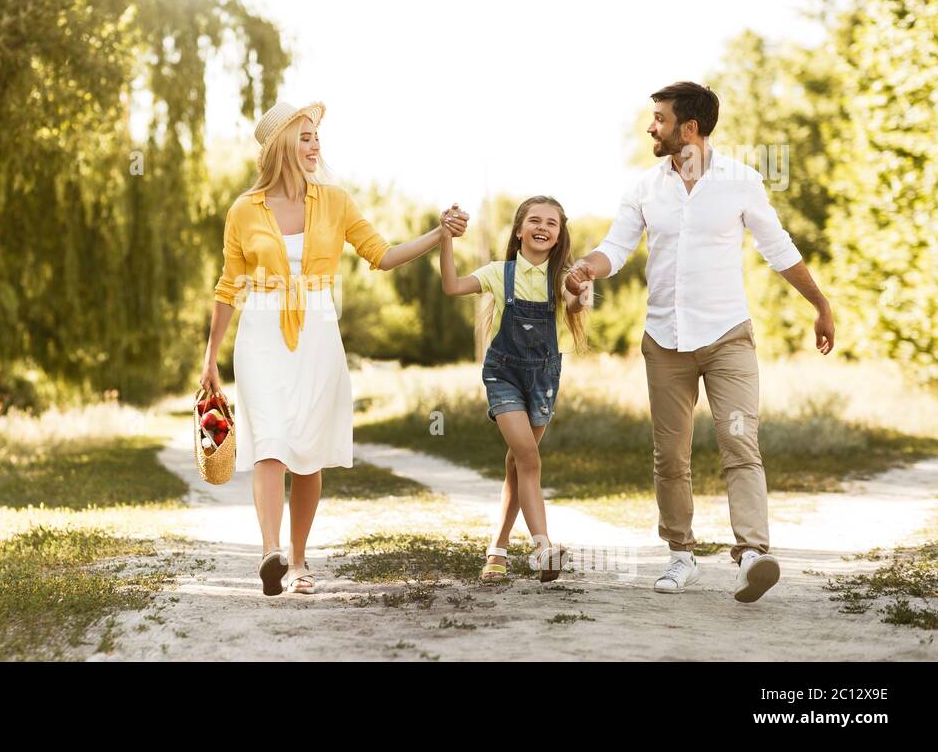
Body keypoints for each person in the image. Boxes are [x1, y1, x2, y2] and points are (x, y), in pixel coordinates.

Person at [565, 81, 835, 603]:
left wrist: (820, 304)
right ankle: (680, 554)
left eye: (660, 119)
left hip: (727, 336)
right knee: (671, 455)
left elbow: (777, 247)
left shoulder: (741, 181)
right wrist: (585, 269)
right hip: (665, 341)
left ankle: (753, 554)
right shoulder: (644, 188)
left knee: (740, 442)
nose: (651, 128)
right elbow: (615, 248)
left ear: (689, 128)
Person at [199, 100, 469, 596]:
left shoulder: (335, 201)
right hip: (261, 332)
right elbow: (228, 286)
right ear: (281, 145)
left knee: (309, 452)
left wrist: (438, 234)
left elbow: (382, 255)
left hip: (318, 332)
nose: (315, 145)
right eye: (304, 137)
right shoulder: (244, 210)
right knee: (270, 443)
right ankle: (271, 553)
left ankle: (299, 561)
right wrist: (210, 356)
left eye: (317, 137)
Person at [439, 196, 589, 583]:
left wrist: (580, 293)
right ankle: (543, 548)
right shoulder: (498, 272)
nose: (542, 227)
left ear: (559, 235)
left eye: (551, 223)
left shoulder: (561, 277)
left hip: (543, 380)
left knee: (516, 464)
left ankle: (498, 549)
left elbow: (574, 305)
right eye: (534, 220)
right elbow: (452, 286)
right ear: (520, 230)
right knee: (529, 458)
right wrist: (445, 239)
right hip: (503, 375)